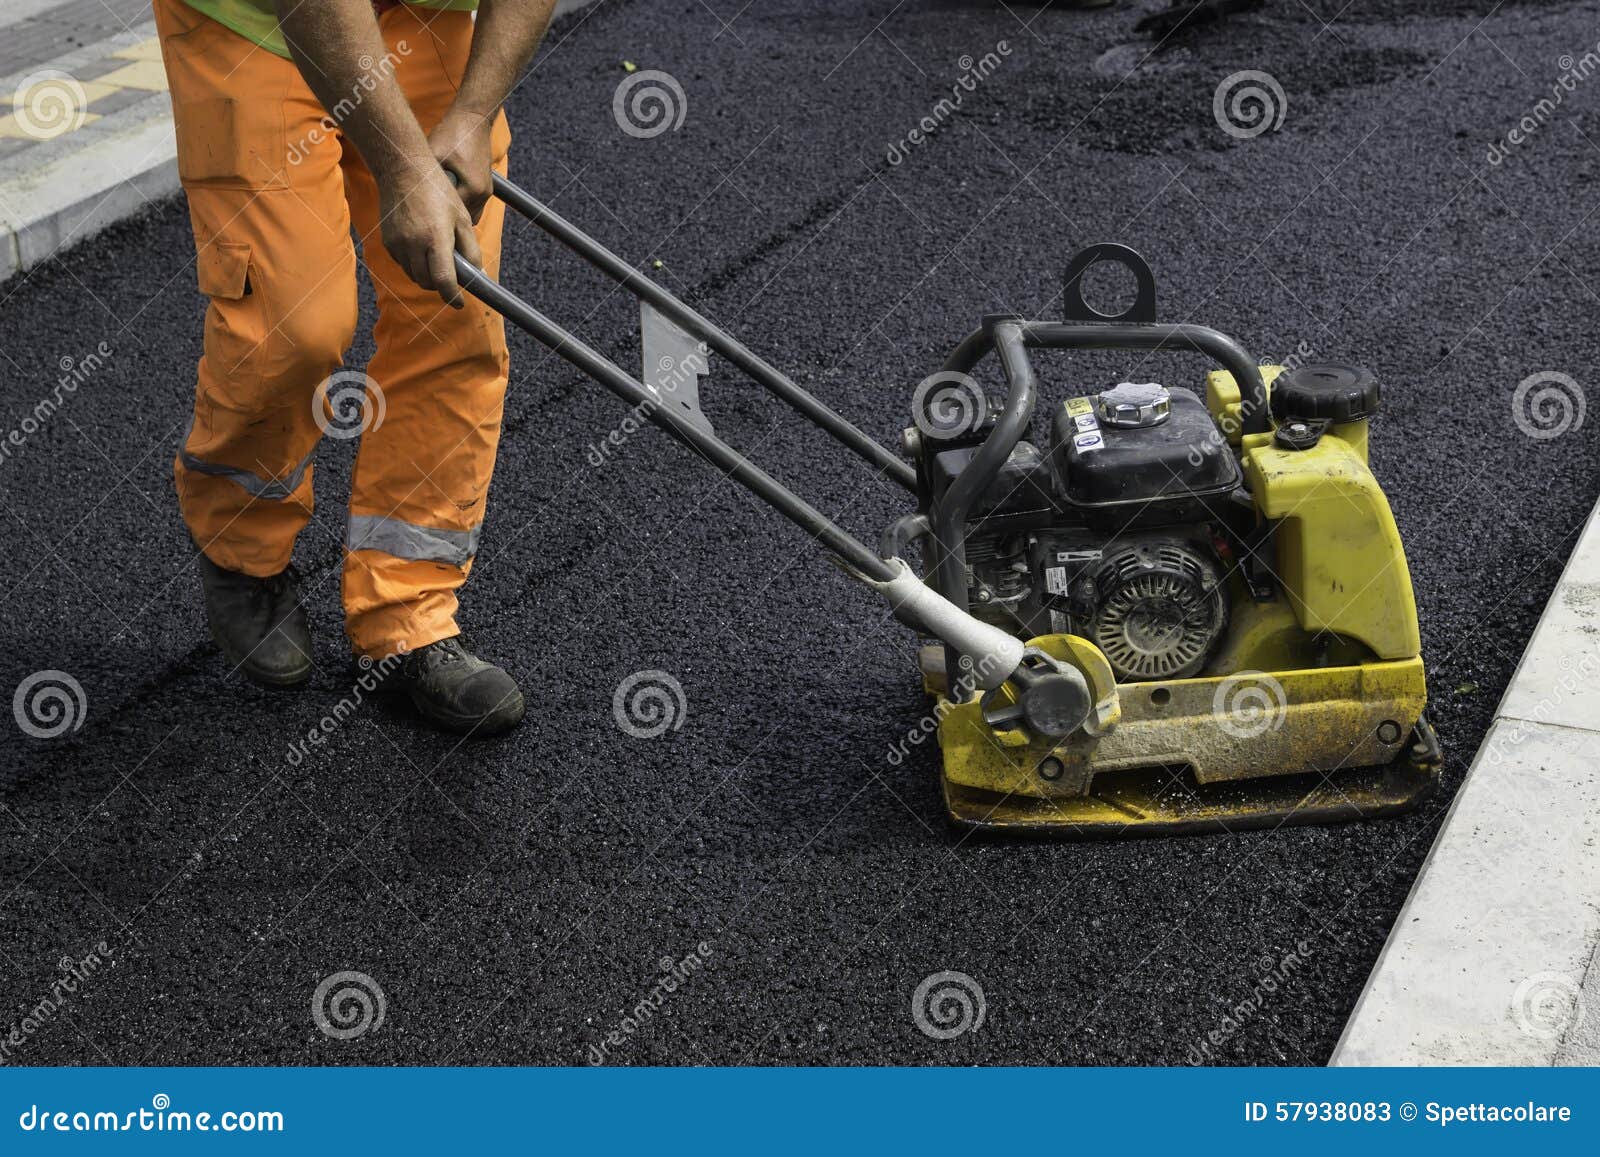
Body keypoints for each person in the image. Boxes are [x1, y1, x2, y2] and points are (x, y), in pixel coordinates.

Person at [153, 0, 557, 735]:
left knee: (454, 310)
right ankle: (241, 545)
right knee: (295, 328)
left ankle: (407, 615)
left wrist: (473, 116)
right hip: (258, 22)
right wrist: (403, 164)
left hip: (424, 18)